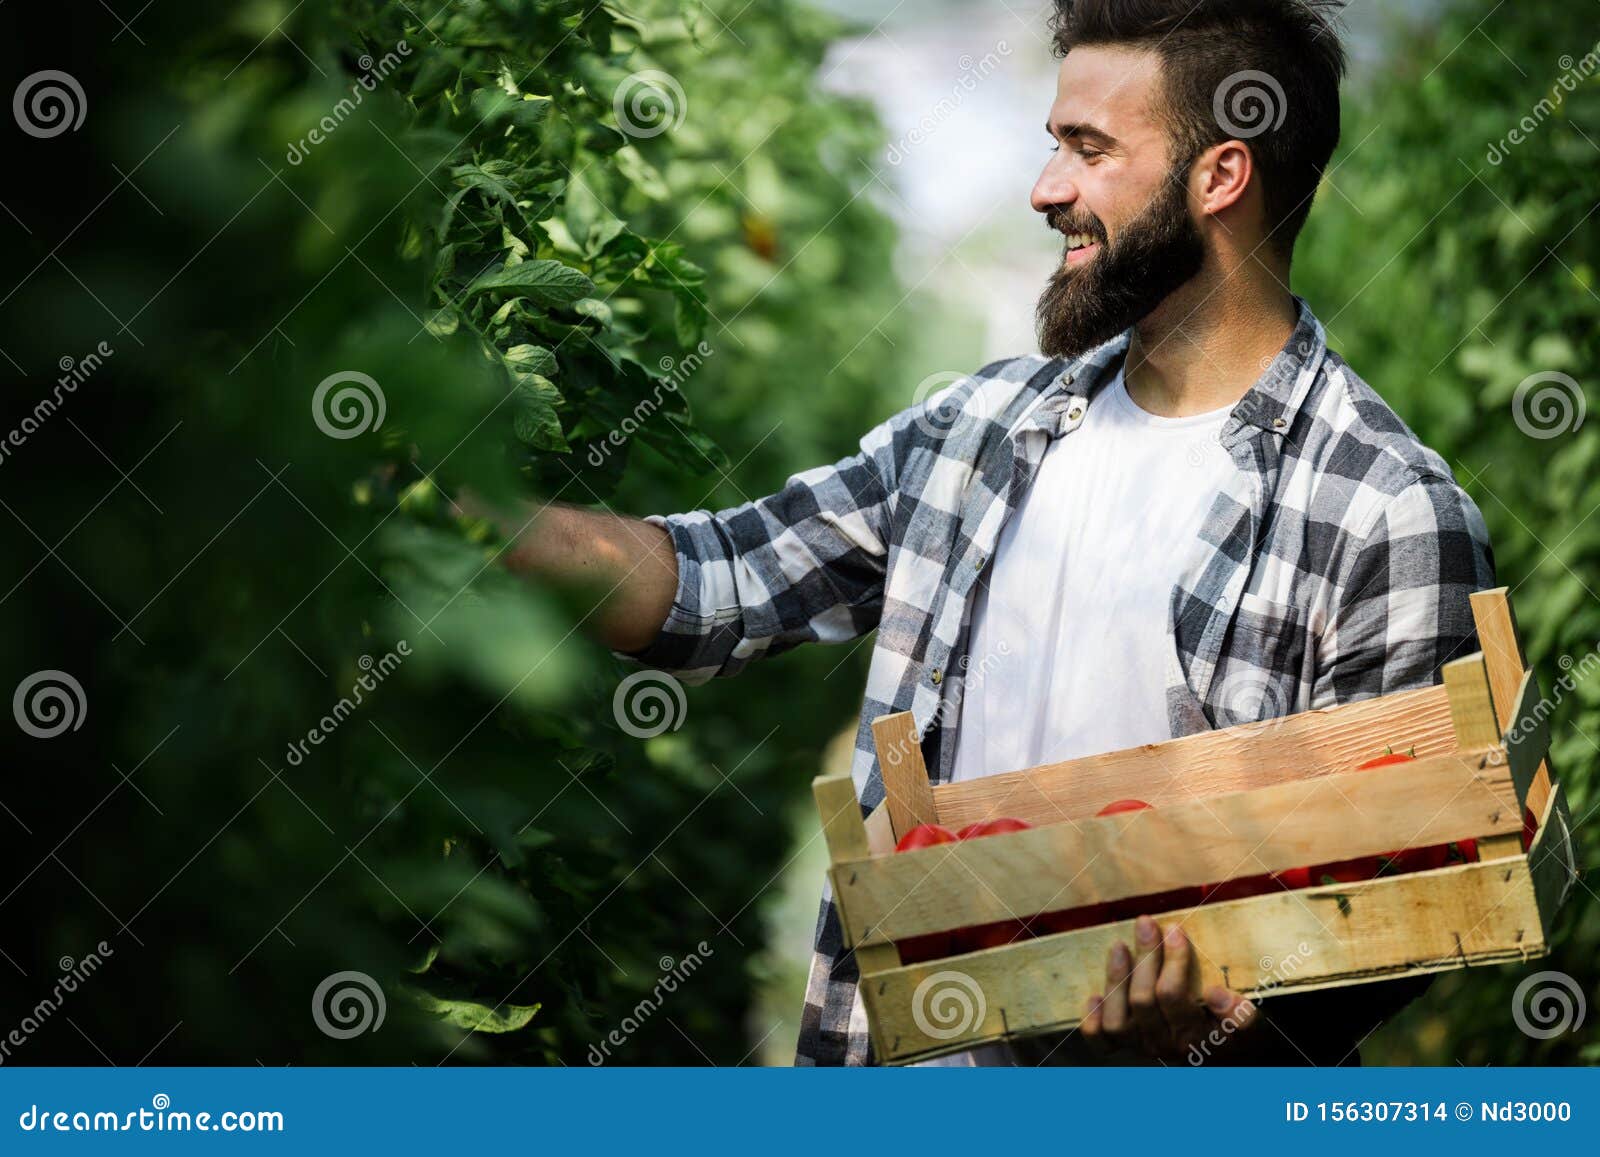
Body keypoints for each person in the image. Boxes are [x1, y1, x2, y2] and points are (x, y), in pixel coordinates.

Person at [466, 0, 1496, 1066]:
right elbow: (712, 584)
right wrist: (465, 525)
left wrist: (1204, 1029)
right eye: (1054, 145)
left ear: (1219, 177)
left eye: (1087, 151)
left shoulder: (1383, 512)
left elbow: (1400, 915)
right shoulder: (977, 432)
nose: (1046, 189)